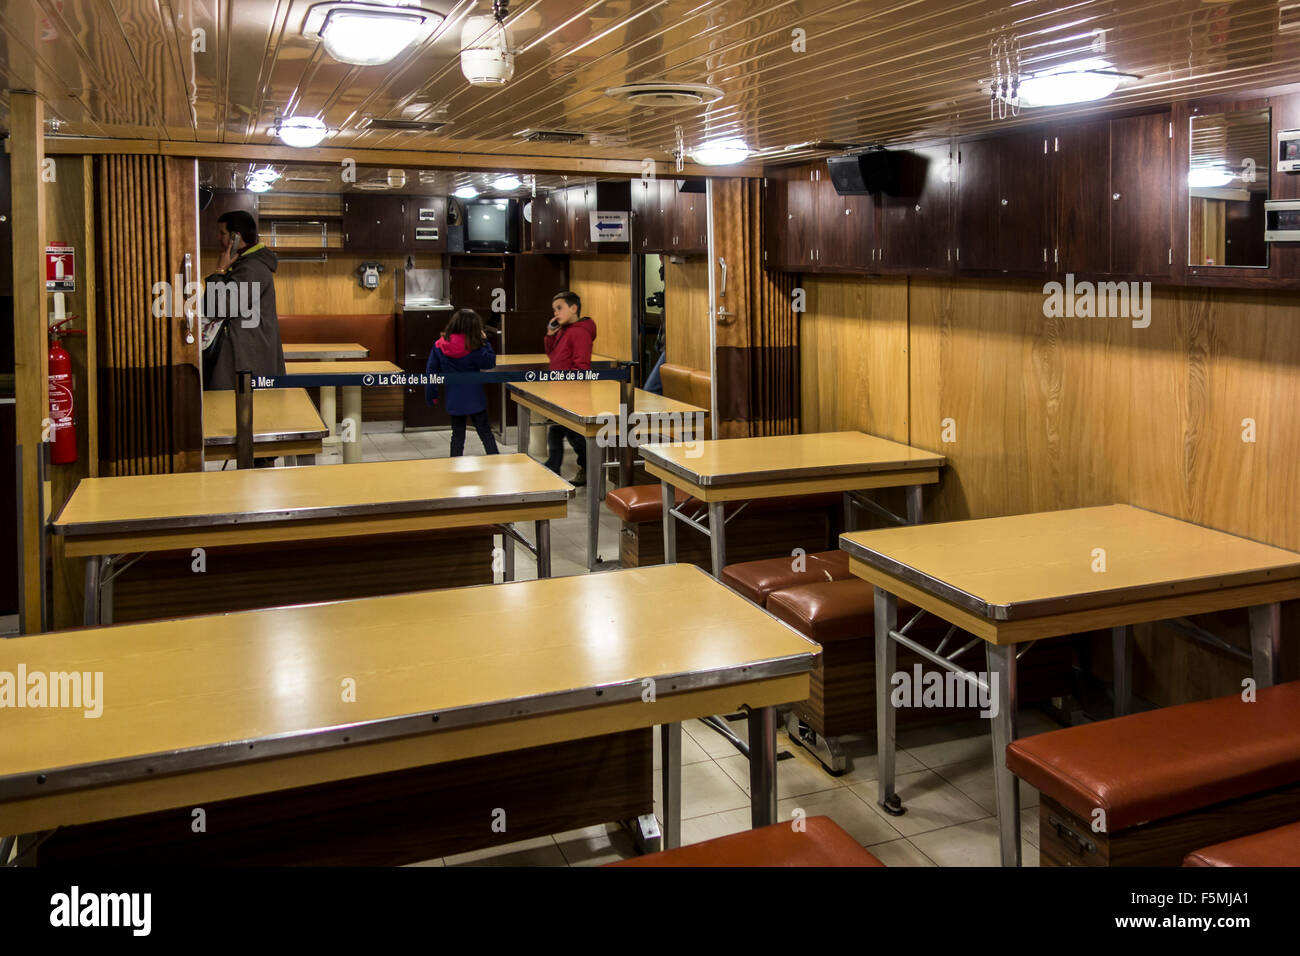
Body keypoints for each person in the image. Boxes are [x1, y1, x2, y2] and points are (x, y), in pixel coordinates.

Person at [203, 210, 285, 391]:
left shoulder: (252, 268)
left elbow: (218, 308)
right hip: (245, 352)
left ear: (236, 237)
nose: (218, 238)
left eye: (222, 233)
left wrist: (219, 271)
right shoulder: (245, 264)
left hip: (247, 357)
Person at [425, 309, 499, 457]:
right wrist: (485, 342)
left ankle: (454, 466)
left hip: (454, 397)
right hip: (475, 397)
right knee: (485, 432)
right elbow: (490, 362)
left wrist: (431, 395)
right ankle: (495, 461)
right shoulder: (475, 345)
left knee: (457, 436)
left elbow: (430, 371)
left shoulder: (440, 345)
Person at [543, 291, 597, 485]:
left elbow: (581, 366)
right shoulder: (565, 329)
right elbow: (553, 355)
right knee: (558, 431)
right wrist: (551, 334)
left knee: (572, 434)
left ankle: (587, 467)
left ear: (573, 308)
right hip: (560, 391)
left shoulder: (579, 332)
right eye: (554, 309)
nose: (556, 313)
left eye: (560, 308)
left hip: (572, 394)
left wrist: (571, 391)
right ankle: (555, 466)